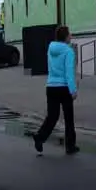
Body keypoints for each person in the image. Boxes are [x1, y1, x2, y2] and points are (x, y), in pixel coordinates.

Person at [33, 25, 79, 155]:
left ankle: (40, 137)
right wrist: (73, 90)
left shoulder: (50, 48)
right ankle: (70, 146)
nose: (71, 36)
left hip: (51, 86)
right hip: (64, 87)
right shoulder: (68, 51)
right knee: (69, 118)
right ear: (65, 37)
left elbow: (51, 67)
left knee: (52, 116)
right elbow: (69, 72)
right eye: (70, 34)